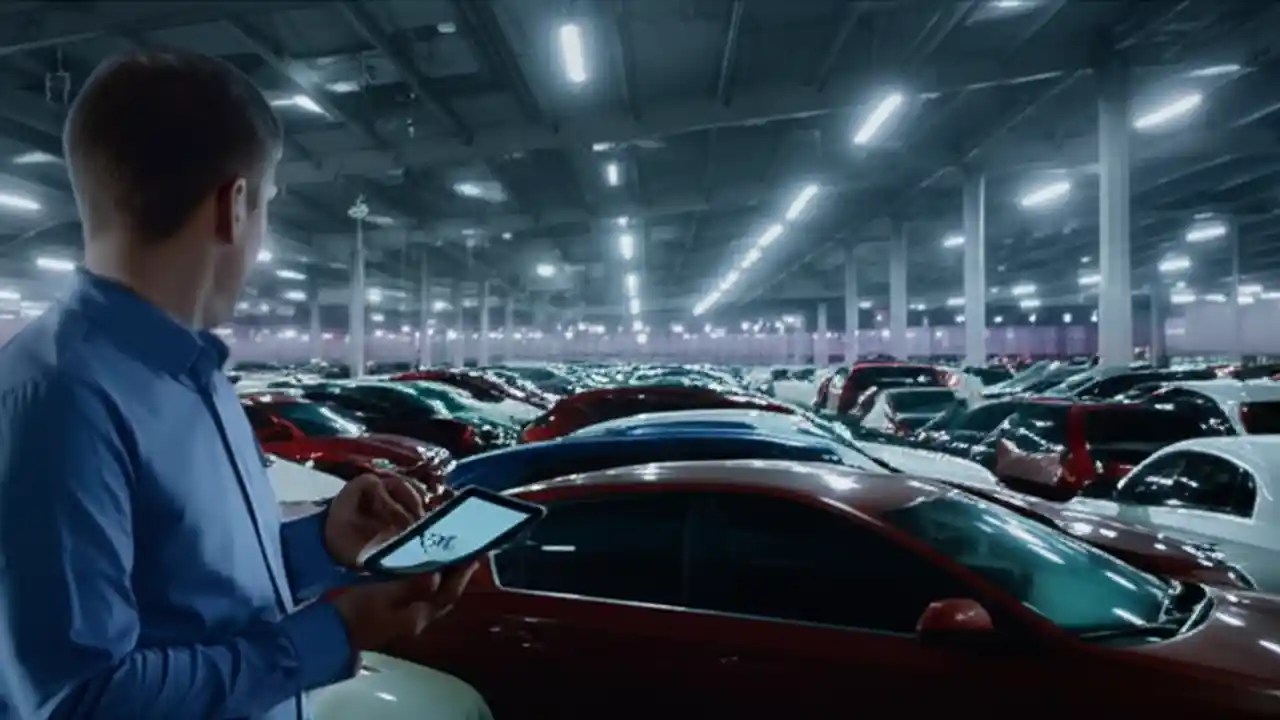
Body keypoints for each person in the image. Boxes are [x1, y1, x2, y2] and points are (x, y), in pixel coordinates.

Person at [0, 52, 476, 719]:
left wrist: (325, 542)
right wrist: (334, 635)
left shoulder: (199, 381)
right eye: (268, 204)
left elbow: (196, 595)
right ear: (237, 203)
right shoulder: (59, 396)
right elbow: (82, 700)